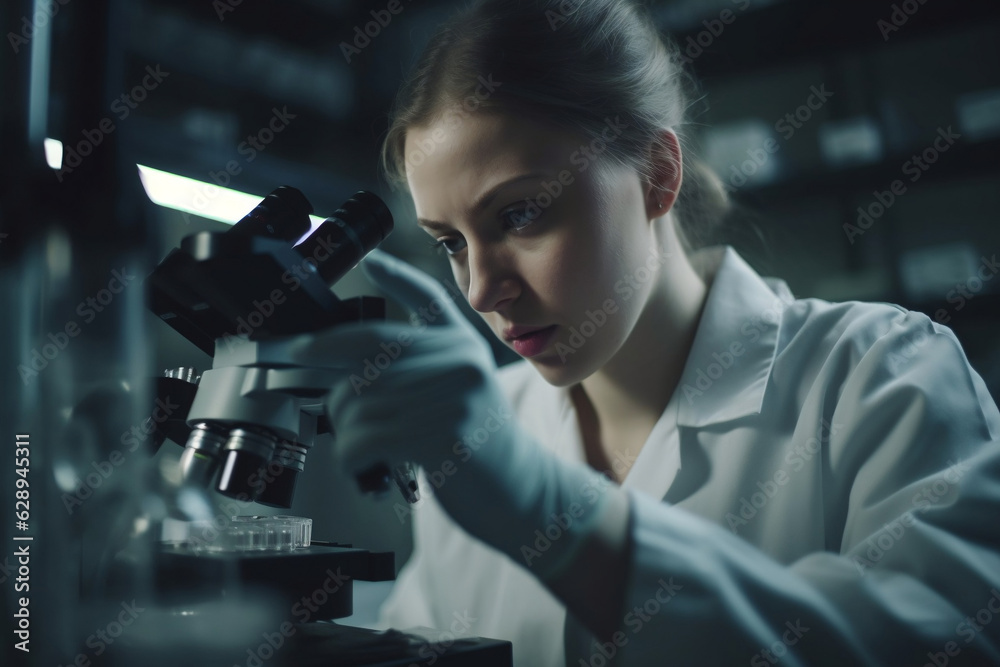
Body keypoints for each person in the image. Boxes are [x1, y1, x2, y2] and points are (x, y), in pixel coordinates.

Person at [290, 0, 1000, 664]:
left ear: (657, 176)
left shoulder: (880, 376)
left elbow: (938, 641)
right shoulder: (482, 427)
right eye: (450, 241)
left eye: (520, 214)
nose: (480, 288)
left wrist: (547, 511)